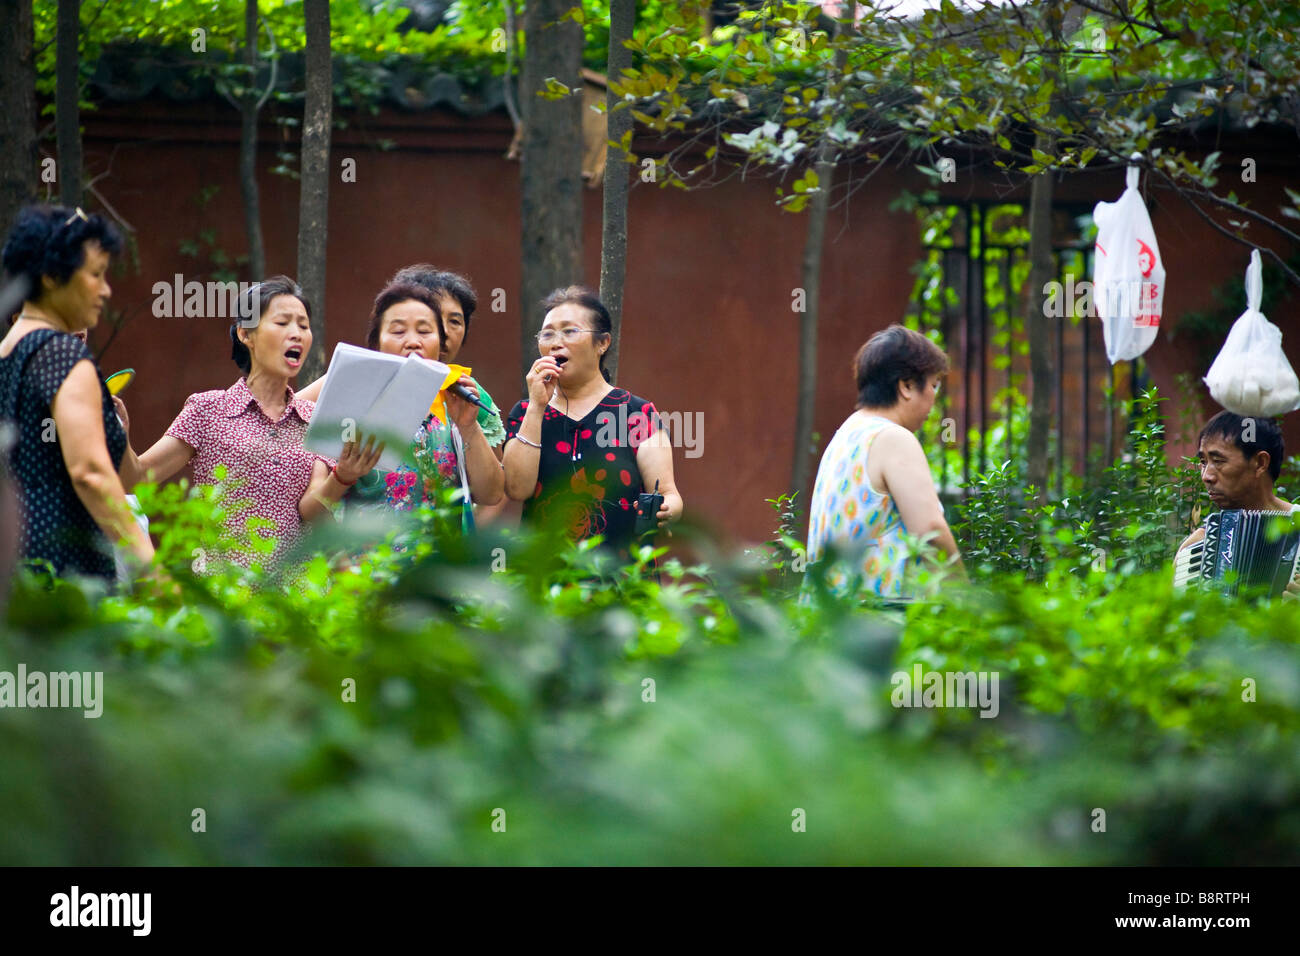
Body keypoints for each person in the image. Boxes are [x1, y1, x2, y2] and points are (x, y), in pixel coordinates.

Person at [121, 277, 381, 569]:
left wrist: (344, 476)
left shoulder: (314, 418)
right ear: (246, 334)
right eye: (282, 323)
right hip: (226, 597)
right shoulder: (207, 409)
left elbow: (313, 510)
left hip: (298, 600)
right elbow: (137, 479)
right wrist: (119, 438)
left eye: (303, 326)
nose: (296, 333)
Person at [0, 204, 154, 582]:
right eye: (96, 274)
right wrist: (153, 574)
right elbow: (90, 473)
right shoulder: (62, 353)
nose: (106, 289)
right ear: (52, 276)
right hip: (66, 564)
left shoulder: (8, 352)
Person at [502, 286, 682, 559]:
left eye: (569, 331)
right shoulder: (525, 412)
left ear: (602, 343)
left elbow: (669, 494)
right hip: (542, 586)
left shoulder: (637, 413)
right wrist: (537, 405)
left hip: (620, 580)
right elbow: (516, 489)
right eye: (547, 333)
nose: (555, 342)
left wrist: (668, 509)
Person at [323, 280, 503, 525]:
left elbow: (491, 495)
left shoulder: (458, 400)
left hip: (441, 562)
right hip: (370, 561)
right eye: (398, 332)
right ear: (376, 343)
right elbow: (316, 506)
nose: (412, 341)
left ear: (441, 343)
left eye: (425, 331)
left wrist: (469, 428)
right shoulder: (352, 398)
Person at [806, 324, 963, 600]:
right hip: (873, 628)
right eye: (934, 386)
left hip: (829, 625)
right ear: (906, 385)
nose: (934, 400)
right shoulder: (892, 438)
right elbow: (930, 532)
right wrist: (969, 601)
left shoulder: (846, 435)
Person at [1176, 411, 1297, 556]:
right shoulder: (1196, 550)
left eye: (1218, 461)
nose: (1206, 476)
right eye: (1203, 462)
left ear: (1260, 463)